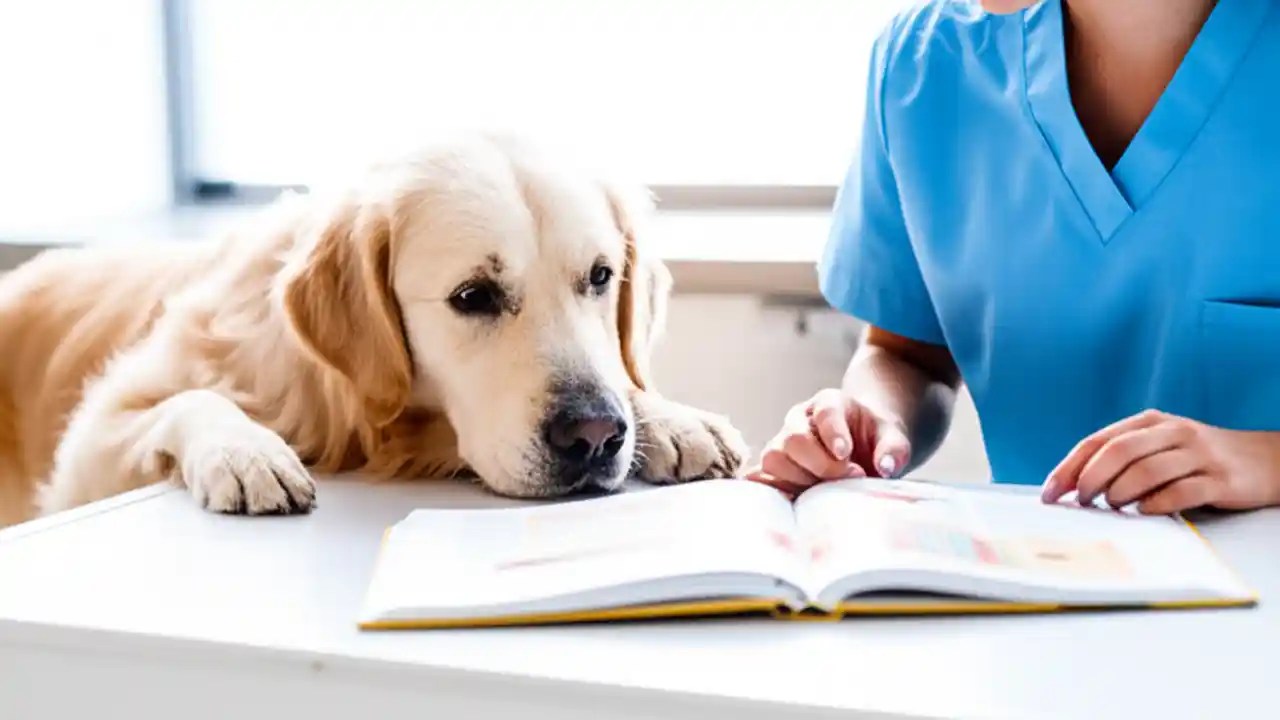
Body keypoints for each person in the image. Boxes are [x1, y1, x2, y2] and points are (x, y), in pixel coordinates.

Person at [747, 0, 1280, 514]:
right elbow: (907, 352)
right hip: (1045, 578)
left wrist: (1264, 460)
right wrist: (873, 420)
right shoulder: (924, 65)